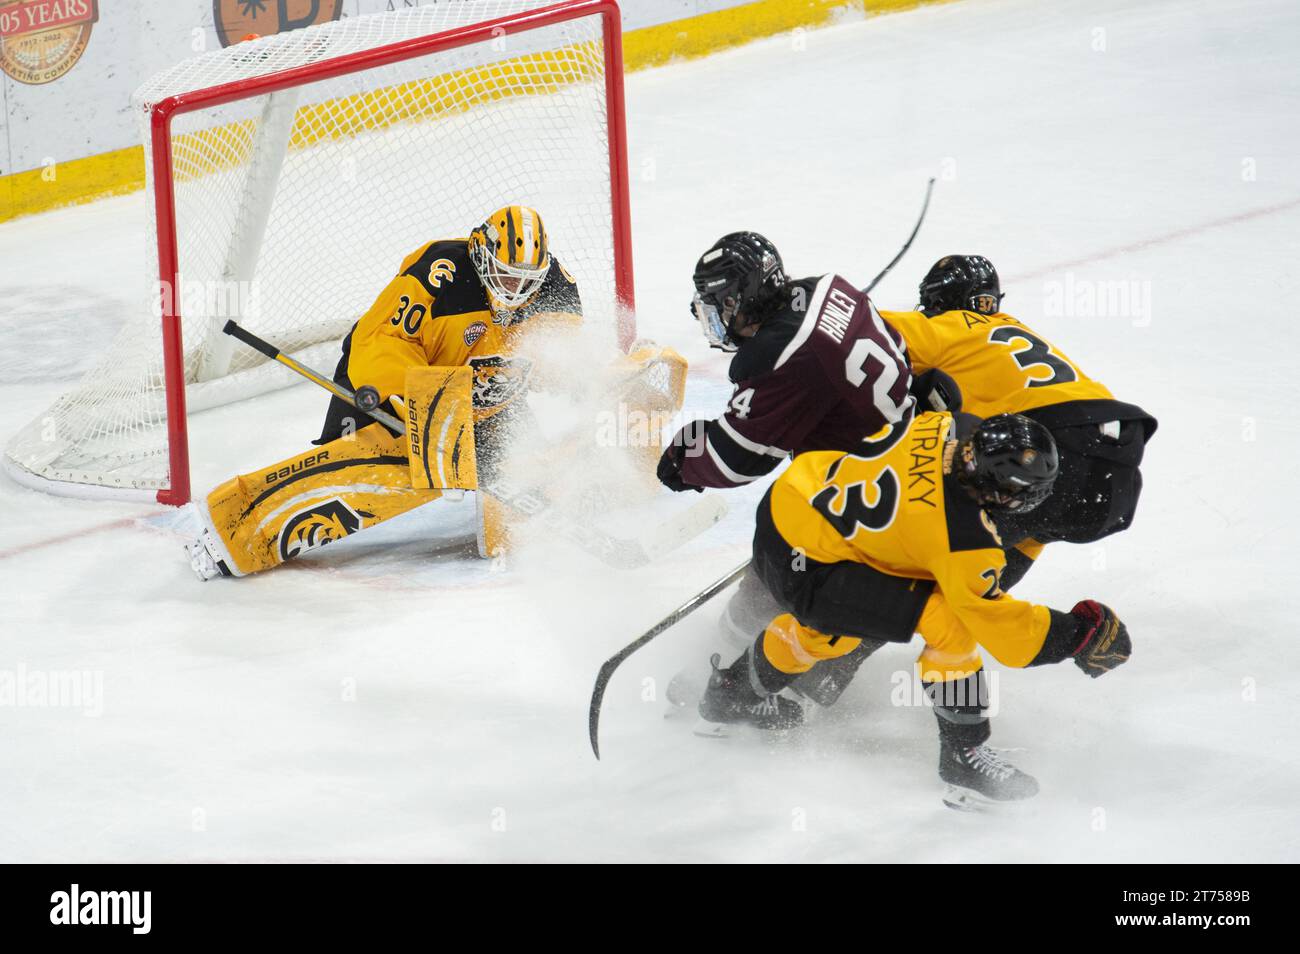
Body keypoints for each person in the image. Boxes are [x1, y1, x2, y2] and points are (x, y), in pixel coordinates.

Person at [697, 410, 1133, 808]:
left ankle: (731, 695)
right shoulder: (965, 541)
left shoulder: (946, 424)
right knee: (947, 622)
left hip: (790, 504)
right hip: (810, 570)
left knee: (835, 629)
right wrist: (1080, 635)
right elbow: (1004, 631)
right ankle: (966, 755)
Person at [186, 205, 581, 580]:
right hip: (395, 385)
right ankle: (232, 533)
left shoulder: (555, 285)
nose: (514, 289)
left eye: (525, 280)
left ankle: (508, 524)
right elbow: (380, 342)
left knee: (525, 457)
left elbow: (567, 357)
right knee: (348, 458)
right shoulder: (439, 271)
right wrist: (423, 401)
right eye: (505, 275)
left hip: (487, 397)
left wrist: (581, 379)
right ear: (481, 253)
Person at [880, 255, 1157, 587]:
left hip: (1058, 448)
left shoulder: (946, 327)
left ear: (939, 299)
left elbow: (853, 323)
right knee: (1020, 525)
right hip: (1118, 471)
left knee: (925, 553)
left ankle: (849, 626)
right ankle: (1079, 638)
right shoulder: (1012, 328)